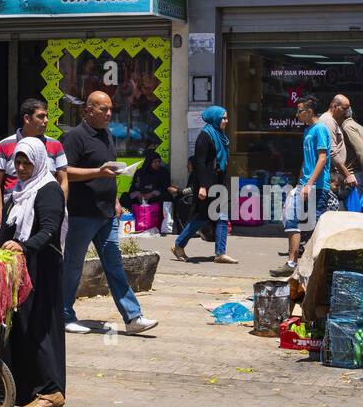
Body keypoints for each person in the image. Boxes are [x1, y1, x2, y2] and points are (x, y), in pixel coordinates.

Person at [61, 90, 158, 335]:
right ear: (88, 110)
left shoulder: (107, 135)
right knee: (73, 265)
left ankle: (133, 317)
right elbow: (64, 172)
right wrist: (98, 172)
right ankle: (63, 315)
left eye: (110, 109)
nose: (108, 113)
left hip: (106, 214)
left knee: (114, 265)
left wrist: (115, 200)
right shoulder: (74, 137)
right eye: (103, 109)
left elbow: (110, 171)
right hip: (82, 213)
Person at [0, 137, 67, 407]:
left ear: (39, 162)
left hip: (42, 268)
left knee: (40, 327)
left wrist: (25, 247)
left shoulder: (48, 190)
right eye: (19, 161)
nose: (23, 167)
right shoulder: (20, 191)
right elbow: (8, 227)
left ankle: (51, 391)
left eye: (28, 162)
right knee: (19, 326)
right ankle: (22, 388)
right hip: (20, 268)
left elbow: (49, 228)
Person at [271, 95, 337, 278]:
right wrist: (300, 182)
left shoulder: (320, 130)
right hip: (305, 185)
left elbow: (322, 158)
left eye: (300, 111)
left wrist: (309, 184)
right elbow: (307, 160)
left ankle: (317, 265)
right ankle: (292, 262)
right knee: (292, 221)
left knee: (316, 225)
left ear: (310, 111)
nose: (297, 114)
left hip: (317, 187)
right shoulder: (307, 131)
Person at [0, 98, 68, 230]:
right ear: (27, 118)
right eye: (41, 116)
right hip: (14, 211)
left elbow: (63, 180)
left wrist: (59, 209)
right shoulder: (4, 145)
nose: (46, 121)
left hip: (46, 212)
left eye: (47, 116)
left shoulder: (55, 145)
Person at [172, 106, 237, 264]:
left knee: (221, 217)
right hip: (207, 183)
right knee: (202, 218)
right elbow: (200, 163)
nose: (226, 121)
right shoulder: (205, 136)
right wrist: (202, 186)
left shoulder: (220, 135)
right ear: (215, 118)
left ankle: (220, 253)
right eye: (224, 118)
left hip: (218, 182)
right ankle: (179, 245)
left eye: (226, 118)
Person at [318, 94, 356, 205]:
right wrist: (347, 174)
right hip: (330, 177)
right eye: (344, 108)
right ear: (334, 106)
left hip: (333, 176)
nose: (346, 112)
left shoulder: (332, 121)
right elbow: (331, 151)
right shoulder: (328, 121)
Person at [342, 105, 363, 191]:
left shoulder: (347, 127)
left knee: (352, 204)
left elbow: (361, 151)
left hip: (354, 176)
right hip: (360, 174)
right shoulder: (359, 127)